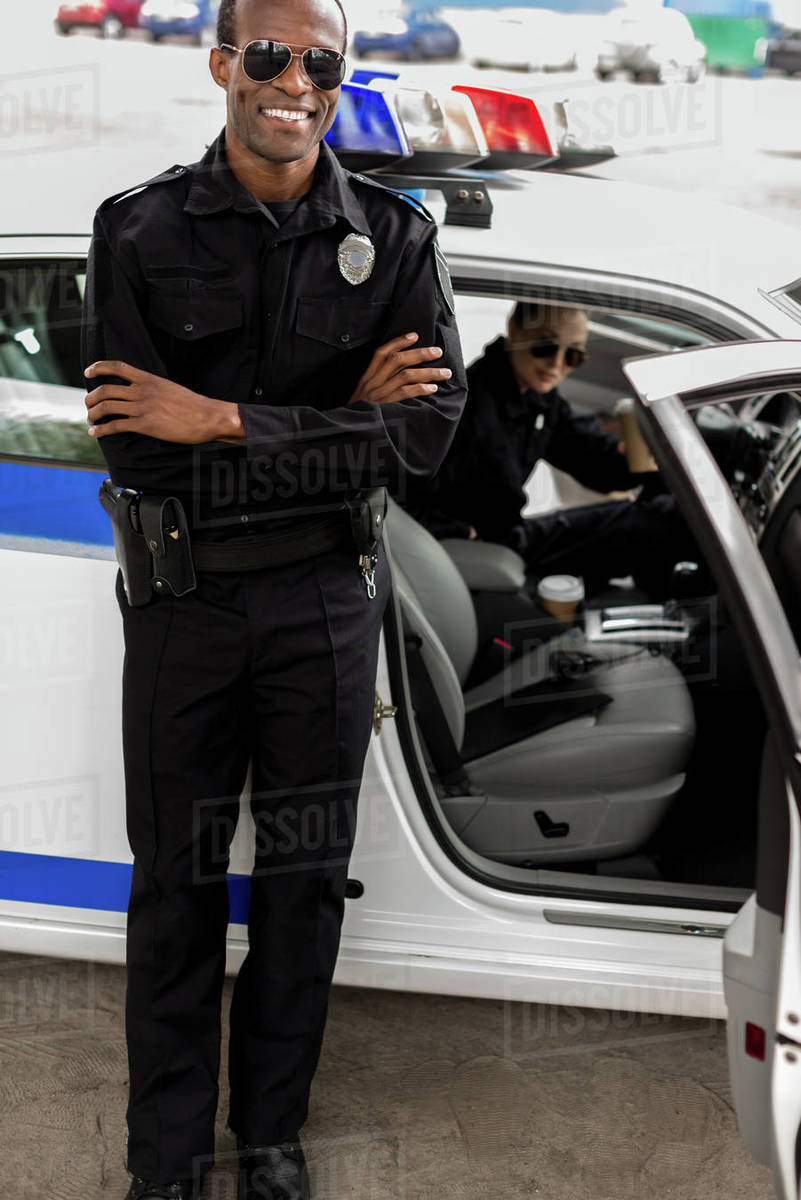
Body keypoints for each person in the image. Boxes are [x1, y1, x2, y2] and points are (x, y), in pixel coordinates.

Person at [80, 1, 466, 1196]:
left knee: (305, 886)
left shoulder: (394, 238)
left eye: (322, 61)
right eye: (269, 55)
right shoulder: (138, 232)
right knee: (177, 890)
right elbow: (143, 457)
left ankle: (274, 1142)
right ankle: (167, 1157)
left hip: (322, 606)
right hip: (185, 609)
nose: (294, 80)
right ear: (222, 65)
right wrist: (345, 414)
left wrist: (227, 418)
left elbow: (429, 438)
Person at [404, 301, 696, 599]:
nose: (557, 364)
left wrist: (642, 458)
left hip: (509, 536)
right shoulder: (466, 408)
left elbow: (589, 457)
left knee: (656, 517)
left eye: (574, 355)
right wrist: (456, 531)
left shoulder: (538, 398)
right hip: (488, 549)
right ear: (514, 328)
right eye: (545, 345)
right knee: (645, 526)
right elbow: (405, 499)